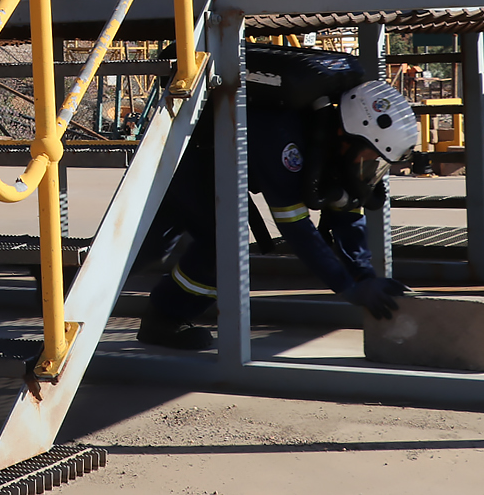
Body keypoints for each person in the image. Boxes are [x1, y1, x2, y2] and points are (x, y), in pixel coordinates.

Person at [135, 62, 421, 350]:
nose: (371, 167)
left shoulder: (333, 140)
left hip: (210, 165)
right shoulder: (286, 141)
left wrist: (363, 274)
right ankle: (164, 317)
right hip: (190, 161)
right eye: (371, 158)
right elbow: (296, 227)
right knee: (218, 245)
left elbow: (346, 207)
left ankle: (139, 301)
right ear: (348, 138)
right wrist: (347, 286)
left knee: (148, 247)